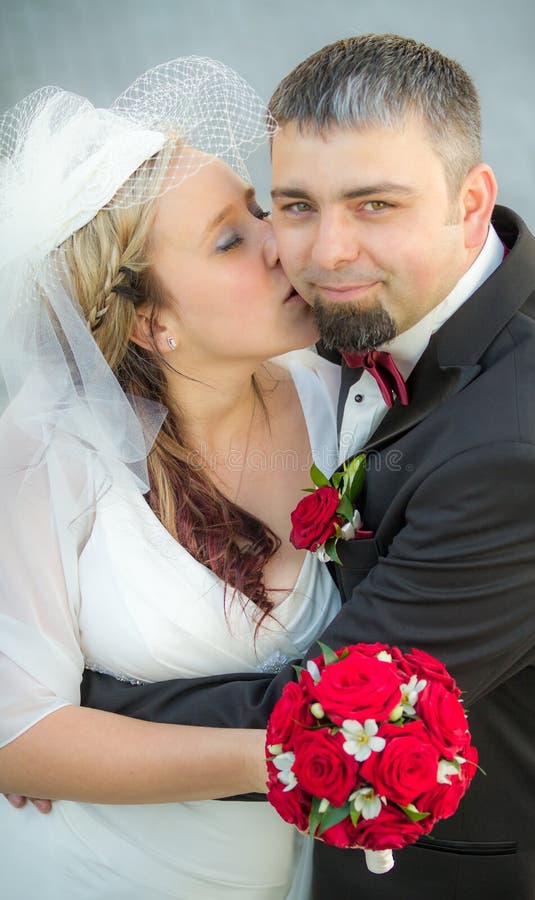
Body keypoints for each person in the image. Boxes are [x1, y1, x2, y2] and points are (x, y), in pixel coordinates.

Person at [77, 35, 535, 900]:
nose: (323, 254)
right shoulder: (390, 310)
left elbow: (329, 718)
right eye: (294, 204)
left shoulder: (518, 455)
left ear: (471, 203)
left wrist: (67, 728)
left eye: (375, 205)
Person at [0, 57, 342, 899]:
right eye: (230, 239)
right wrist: (281, 759)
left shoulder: (343, 395)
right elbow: (18, 732)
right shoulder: (50, 457)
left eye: (260, 209)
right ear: (153, 324)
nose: (280, 241)